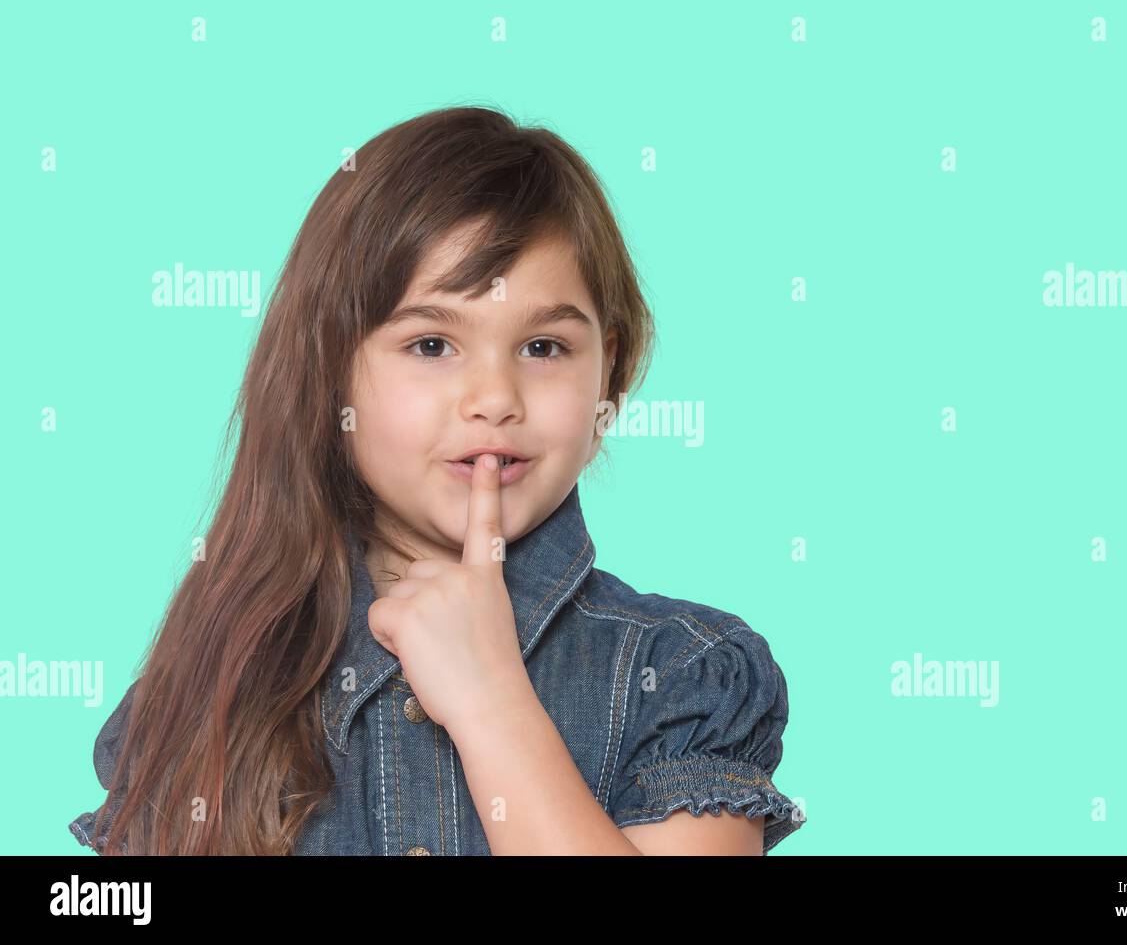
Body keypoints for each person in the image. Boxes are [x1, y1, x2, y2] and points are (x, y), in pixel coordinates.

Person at [68, 105, 806, 855]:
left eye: (544, 347)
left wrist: (491, 702)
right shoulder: (206, 696)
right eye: (431, 343)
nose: (494, 397)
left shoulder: (681, 675)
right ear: (331, 373)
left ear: (606, 375)